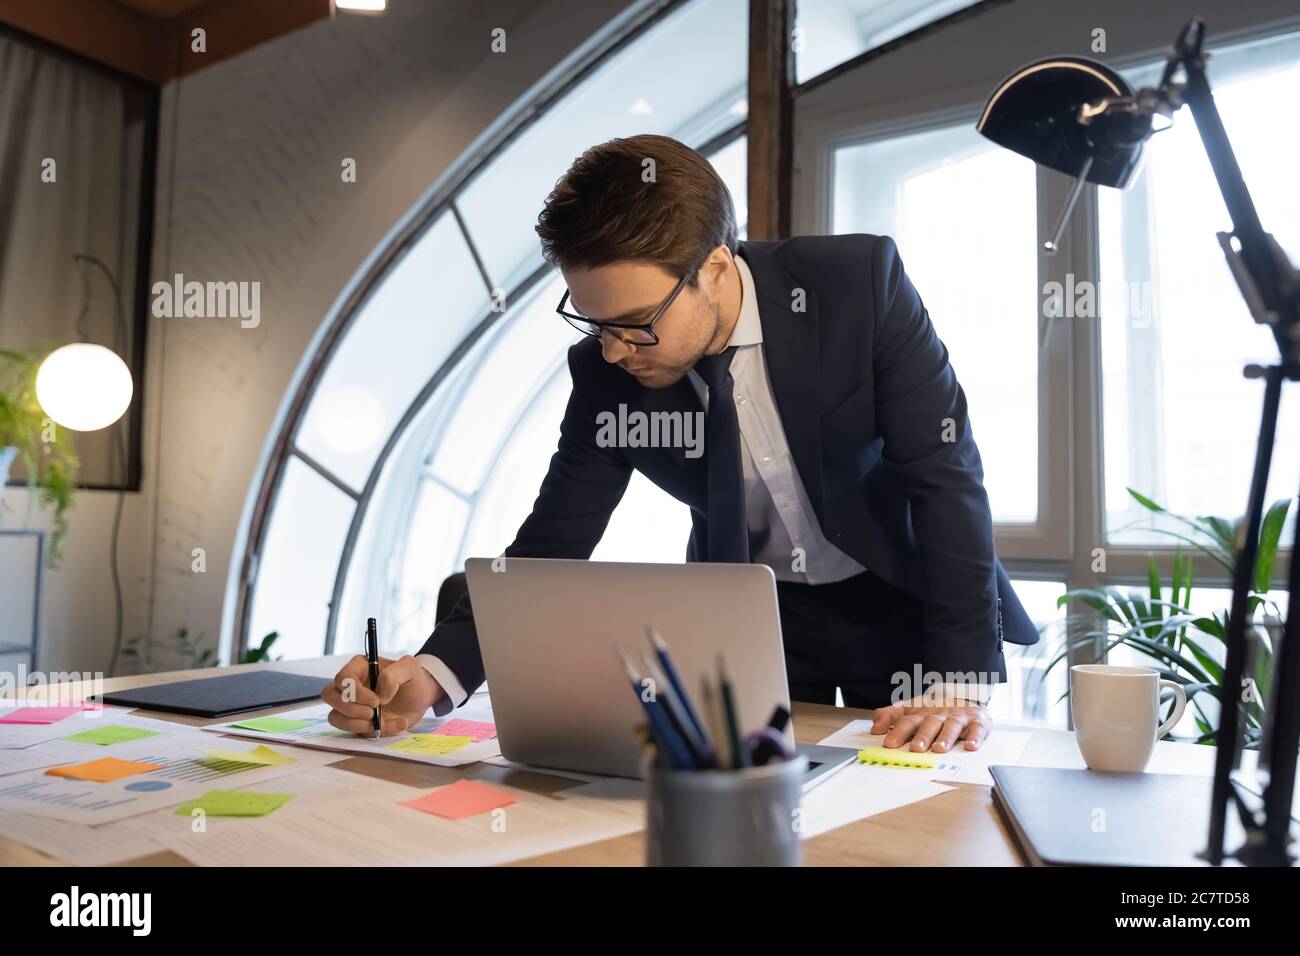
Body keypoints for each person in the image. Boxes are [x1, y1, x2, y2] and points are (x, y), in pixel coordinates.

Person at [323, 134, 1038, 753]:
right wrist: (433, 669)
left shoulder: (857, 287)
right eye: (593, 323)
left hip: (901, 599)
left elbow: (944, 475)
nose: (612, 352)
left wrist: (956, 682)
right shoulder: (603, 372)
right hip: (755, 618)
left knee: (916, 804)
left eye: (635, 323)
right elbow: (551, 539)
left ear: (717, 271)